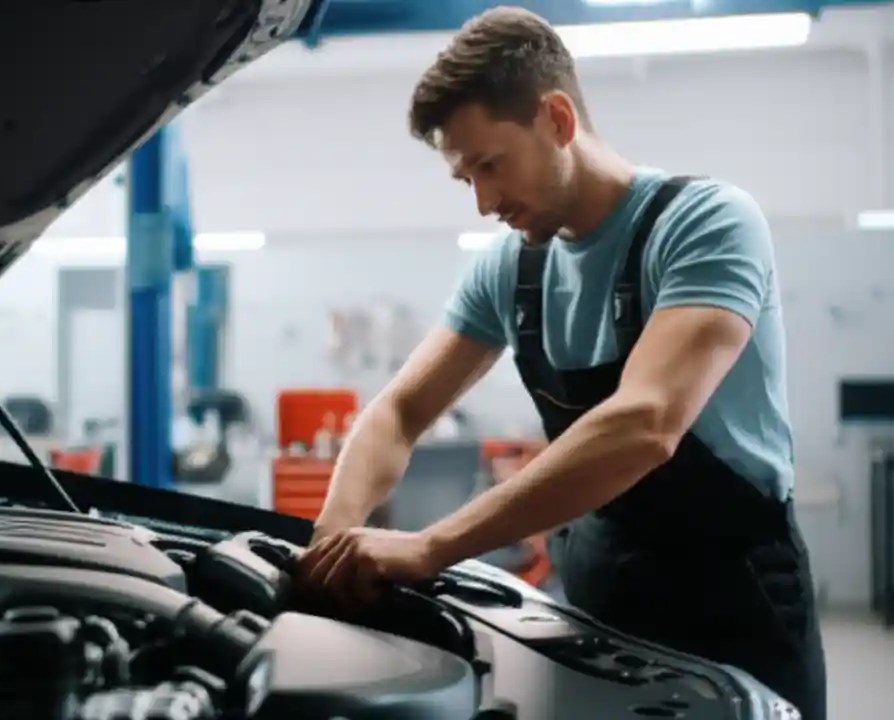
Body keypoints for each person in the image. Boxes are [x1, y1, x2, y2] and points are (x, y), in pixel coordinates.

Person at [297, 6, 826, 717]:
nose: (484, 202)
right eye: (465, 179)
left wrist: (429, 547)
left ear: (557, 119)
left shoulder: (705, 223)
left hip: (735, 596)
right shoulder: (509, 269)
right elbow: (398, 412)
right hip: (599, 587)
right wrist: (329, 547)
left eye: (491, 165)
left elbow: (644, 424)